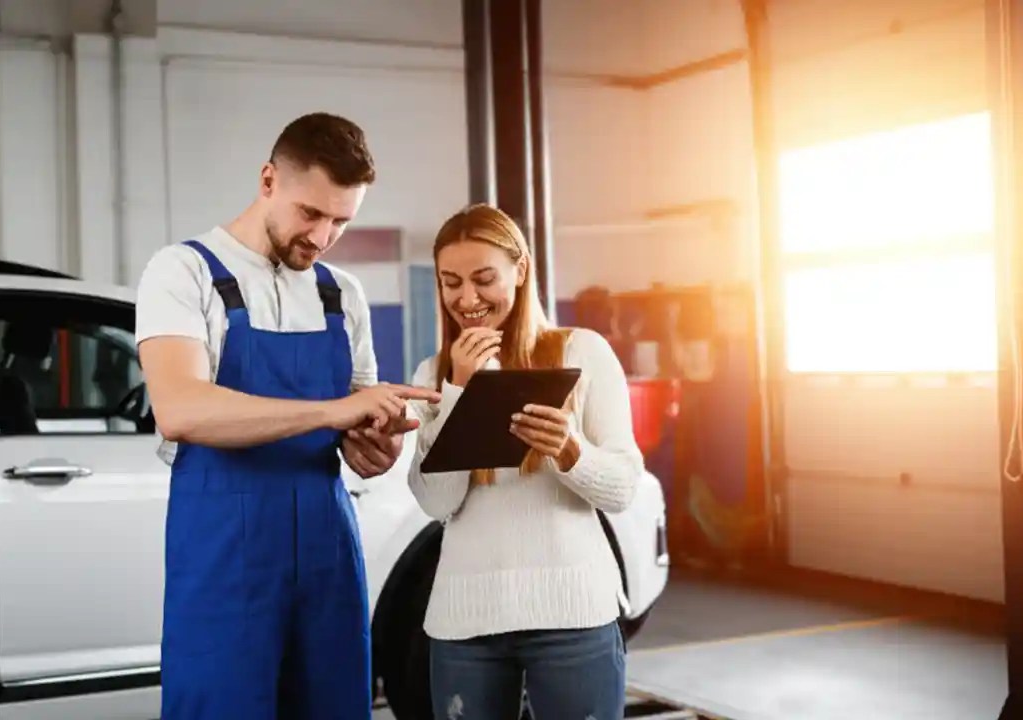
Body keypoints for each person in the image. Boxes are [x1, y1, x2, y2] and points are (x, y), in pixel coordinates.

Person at [135, 112, 440, 720]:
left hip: (327, 546)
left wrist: (374, 448)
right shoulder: (183, 272)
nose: (323, 237)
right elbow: (180, 408)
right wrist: (334, 410)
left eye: (341, 221)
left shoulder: (341, 295)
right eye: (311, 213)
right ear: (269, 180)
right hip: (224, 551)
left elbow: (358, 434)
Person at [406, 204, 644, 720]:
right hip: (466, 622)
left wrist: (570, 449)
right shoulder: (434, 373)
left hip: (574, 615)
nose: (466, 299)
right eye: (450, 283)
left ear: (520, 270)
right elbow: (436, 502)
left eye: (483, 278)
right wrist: (457, 392)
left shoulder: (583, 352)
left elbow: (624, 489)